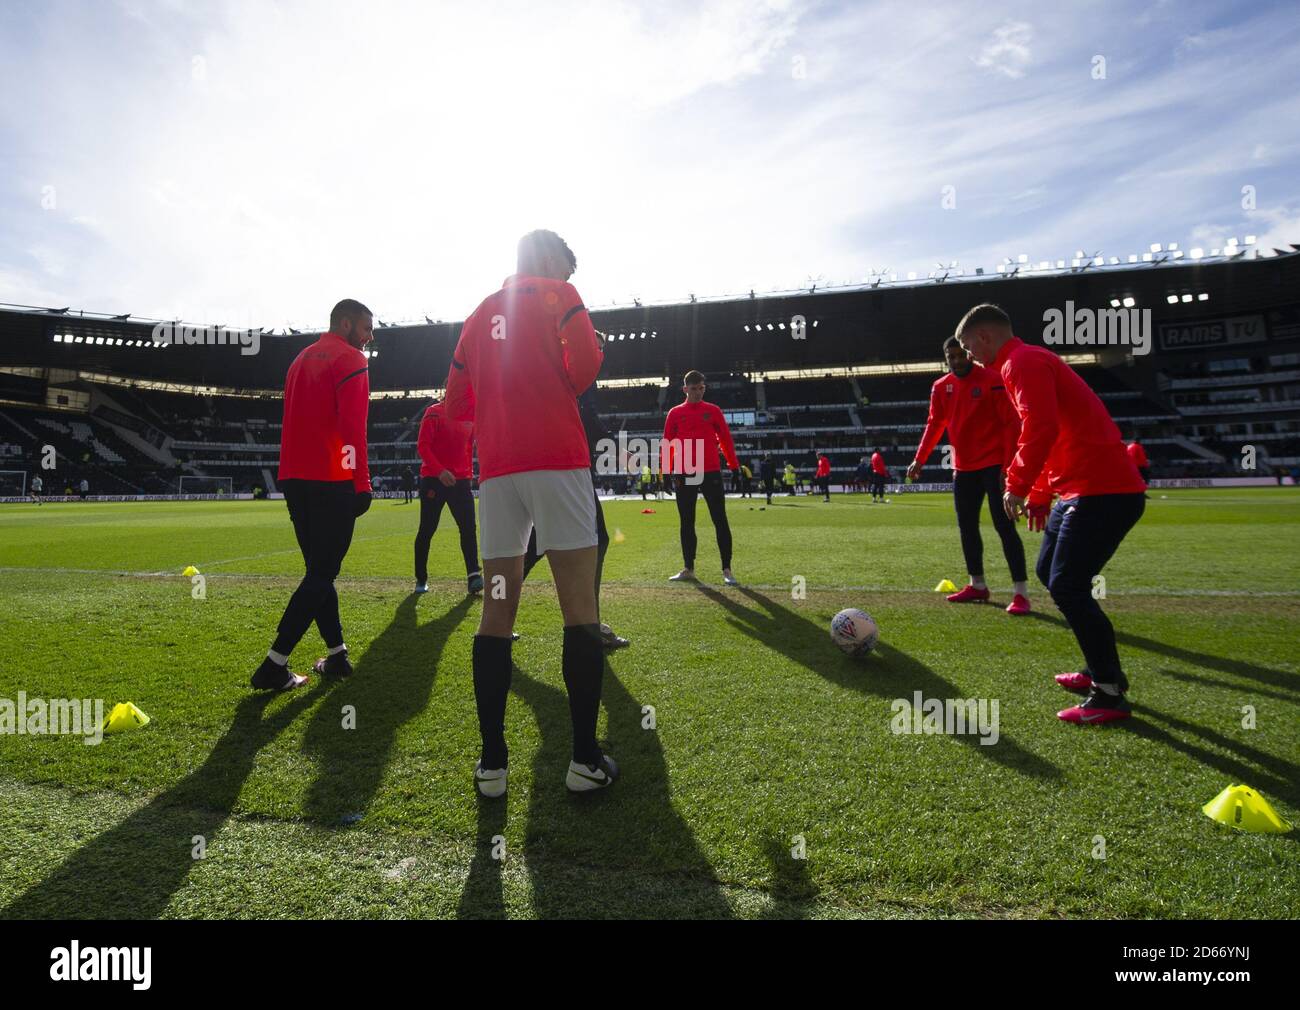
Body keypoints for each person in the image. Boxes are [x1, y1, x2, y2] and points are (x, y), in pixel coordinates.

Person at [443, 228, 618, 796]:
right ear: (546, 259)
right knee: (579, 607)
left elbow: (453, 406)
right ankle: (584, 761)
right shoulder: (558, 296)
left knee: (497, 611)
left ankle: (492, 765)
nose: (567, 278)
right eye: (565, 266)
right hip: (557, 461)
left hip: (496, 474)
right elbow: (587, 361)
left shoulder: (477, 314)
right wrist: (555, 385)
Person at [956, 303, 1146, 725]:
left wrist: (1019, 484)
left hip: (1102, 490)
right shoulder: (1021, 363)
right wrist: (1041, 492)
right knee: (1049, 572)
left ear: (985, 337)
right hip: (1078, 488)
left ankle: (1110, 694)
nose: (968, 356)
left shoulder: (1022, 362)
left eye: (969, 346)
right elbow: (1052, 430)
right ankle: (1100, 671)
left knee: (1069, 584)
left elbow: (1039, 427)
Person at [252, 298, 373, 691]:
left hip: (294, 478)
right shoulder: (351, 359)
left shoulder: (300, 359)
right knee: (323, 573)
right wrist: (362, 481)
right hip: (332, 478)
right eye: (366, 328)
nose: (369, 337)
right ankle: (274, 664)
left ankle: (337, 656)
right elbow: (354, 427)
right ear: (345, 322)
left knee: (318, 572)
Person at [520, 330, 628, 649]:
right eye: (595, 345)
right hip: (564, 467)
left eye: (603, 347)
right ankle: (589, 623)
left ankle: (499, 609)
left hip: (553, 466)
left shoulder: (565, 370)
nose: (600, 352)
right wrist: (615, 445)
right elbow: (586, 420)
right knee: (597, 537)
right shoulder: (574, 371)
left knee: (540, 541)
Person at [907, 336, 1030, 615]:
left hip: (994, 465)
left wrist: (1008, 467)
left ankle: (1021, 593)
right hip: (963, 469)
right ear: (946, 358)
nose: (958, 360)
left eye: (962, 355)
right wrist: (919, 459)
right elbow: (935, 423)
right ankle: (977, 584)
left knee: (1004, 526)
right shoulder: (940, 387)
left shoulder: (992, 379)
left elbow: (1010, 423)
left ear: (970, 355)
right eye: (952, 357)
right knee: (967, 528)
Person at [662, 370, 740, 586]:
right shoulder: (675, 413)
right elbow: (667, 442)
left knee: (720, 519)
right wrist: (666, 470)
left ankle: (727, 569)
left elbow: (725, 438)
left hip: (711, 470)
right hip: (684, 470)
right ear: (685, 389)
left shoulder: (713, 411)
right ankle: (688, 568)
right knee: (687, 521)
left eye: (701, 388)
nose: (698, 392)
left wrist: (734, 466)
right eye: (694, 388)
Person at [413, 399, 481, 594]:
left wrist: (470, 473)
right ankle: (421, 577)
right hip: (434, 480)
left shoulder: (471, 415)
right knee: (427, 529)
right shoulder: (434, 412)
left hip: (460, 482)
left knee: (468, 528)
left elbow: (471, 447)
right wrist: (440, 470)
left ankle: (473, 575)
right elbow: (423, 446)